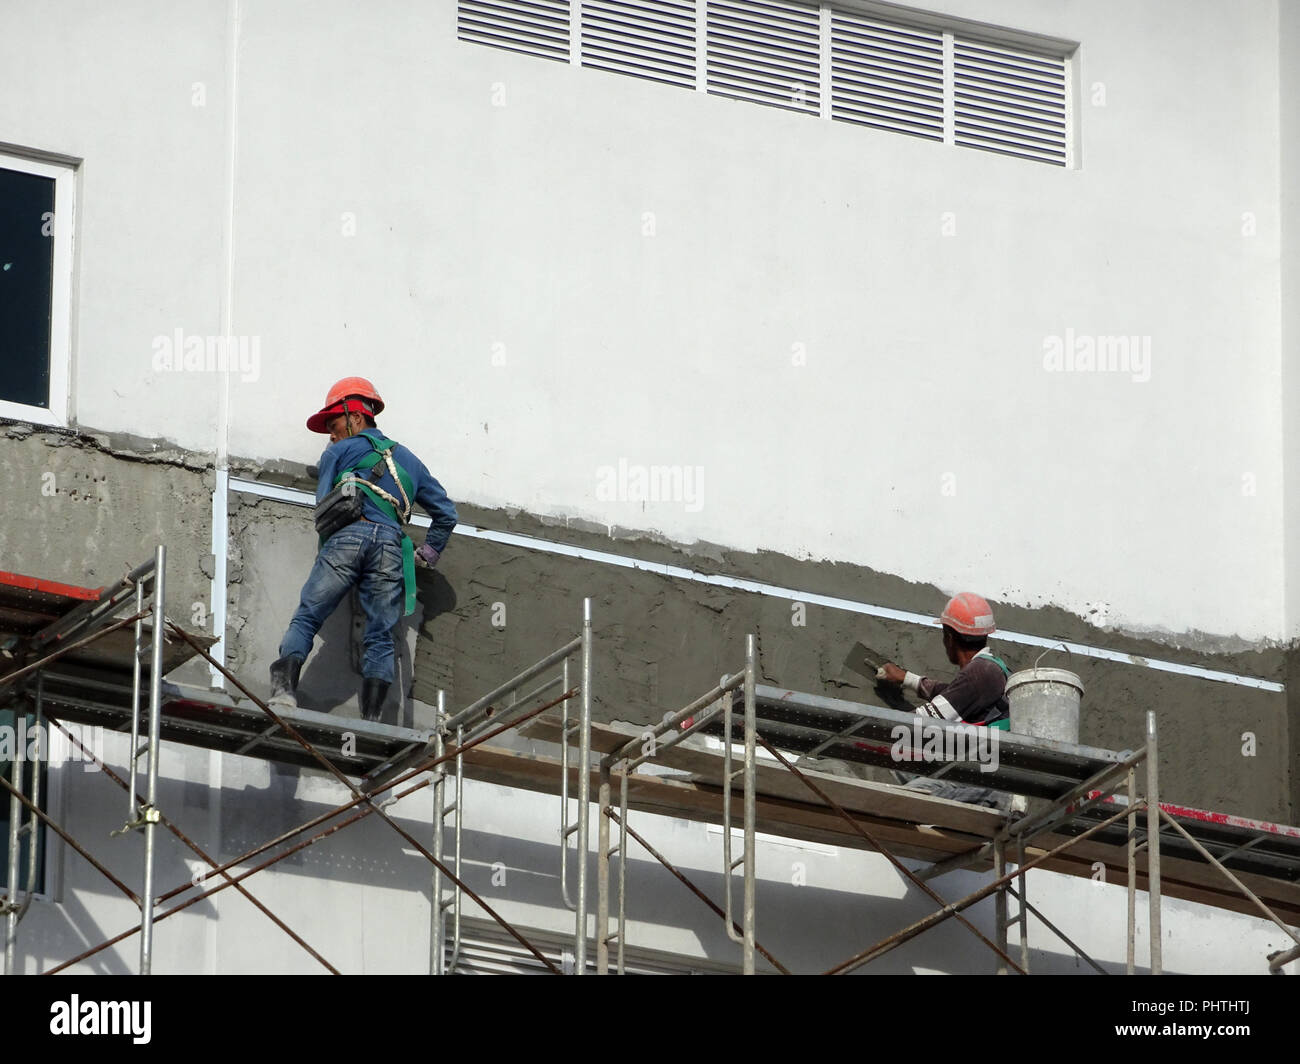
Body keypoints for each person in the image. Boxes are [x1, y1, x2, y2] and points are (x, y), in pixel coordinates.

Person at [269, 377, 458, 722]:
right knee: (381, 635)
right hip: (389, 547)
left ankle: (283, 693)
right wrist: (425, 555)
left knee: (309, 614)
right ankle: (372, 720)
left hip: (346, 539)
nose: (331, 433)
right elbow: (447, 514)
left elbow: (323, 513)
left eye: (334, 423)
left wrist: (331, 556)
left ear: (356, 415)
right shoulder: (411, 462)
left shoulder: (338, 453)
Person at [877, 592, 1012, 809]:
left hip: (987, 777)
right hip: (983, 767)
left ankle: (994, 803)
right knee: (903, 761)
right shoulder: (987, 669)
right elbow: (951, 693)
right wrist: (907, 678)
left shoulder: (980, 673)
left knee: (910, 791)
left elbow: (925, 719)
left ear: (948, 637)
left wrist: (873, 724)